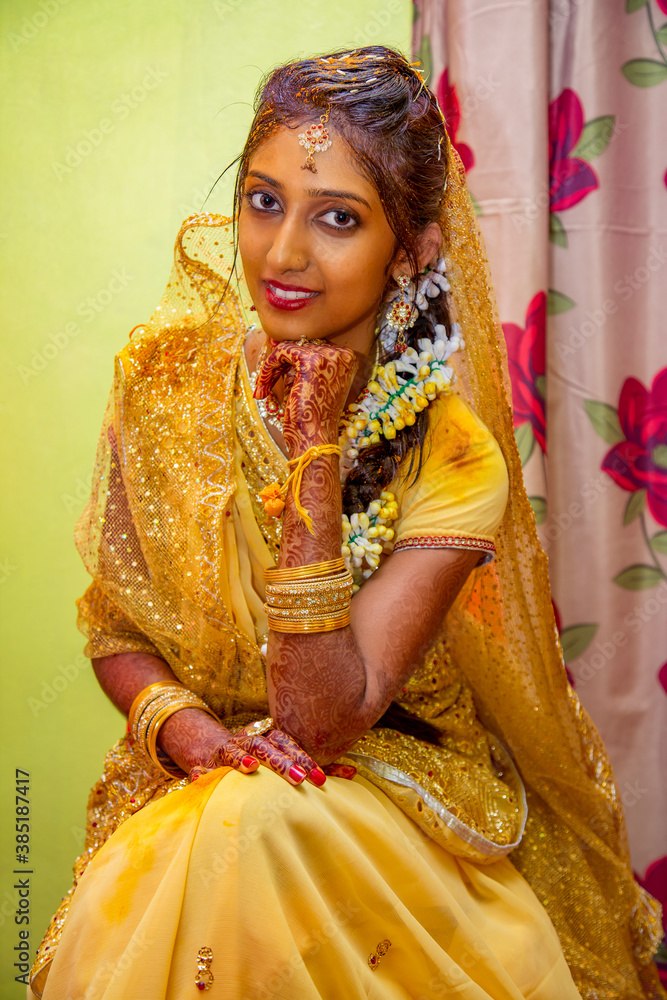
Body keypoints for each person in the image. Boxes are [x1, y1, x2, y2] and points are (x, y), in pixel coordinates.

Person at [30, 46, 664, 1000]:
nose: (283, 254)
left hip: (375, 793)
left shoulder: (452, 455)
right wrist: (192, 734)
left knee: (261, 825)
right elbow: (116, 632)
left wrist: (314, 446)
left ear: (410, 249)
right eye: (262, 200)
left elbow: (320, 720)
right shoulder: (162, 387)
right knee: (234, 826)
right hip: (202, 783)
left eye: (336, 219)